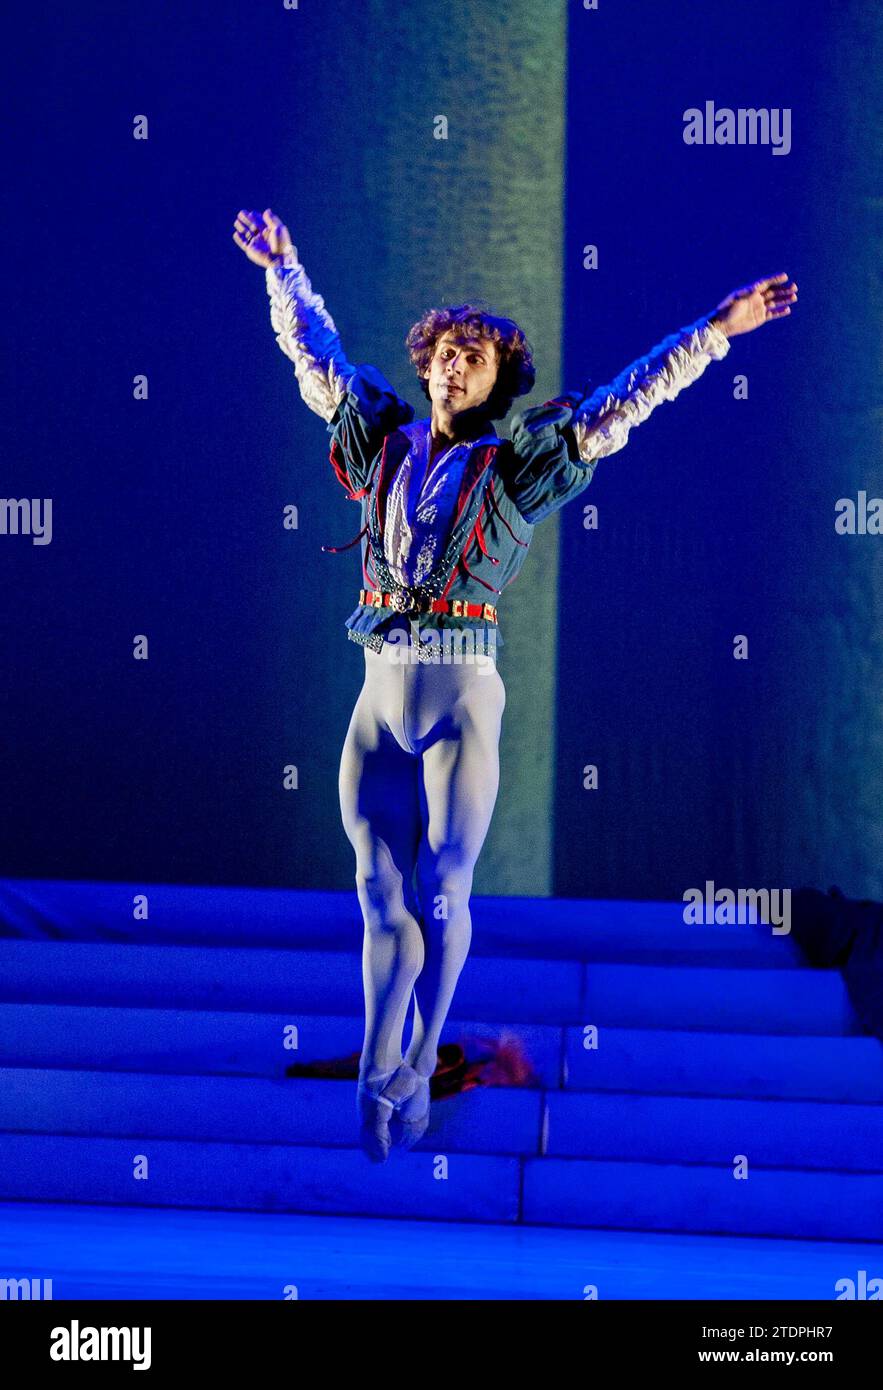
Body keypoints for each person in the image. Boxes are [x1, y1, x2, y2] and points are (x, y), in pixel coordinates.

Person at [233, 206, 797, 1161]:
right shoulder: (379, 441)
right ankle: (382, 1069)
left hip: (459, 696)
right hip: (378, 694)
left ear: (498, 381)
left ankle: (422, 1049)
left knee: (444, 887)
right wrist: (283, 268)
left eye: (475, 359)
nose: (454, 367)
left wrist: (714, 331)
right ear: (423, 363)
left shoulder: (519, 462)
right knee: (378, 892)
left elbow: (626, 399)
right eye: (445, 352)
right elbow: (317, 358)